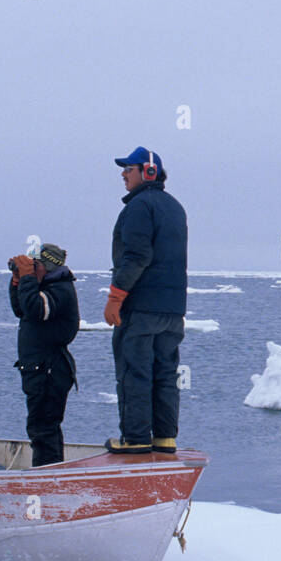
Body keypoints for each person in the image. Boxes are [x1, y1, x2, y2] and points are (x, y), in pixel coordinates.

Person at [103, 147, 188, 455]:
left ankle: (135, 438)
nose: (124, 174)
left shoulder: (139, 207)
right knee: (165, 373)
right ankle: (165, 438)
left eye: (129, 168)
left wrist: (116, 297)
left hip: (140, 308)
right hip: (172, 310)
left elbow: (137, 256)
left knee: (134, 371)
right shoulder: (175, 208)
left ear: (148, 171)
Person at [8, 243, 79, 466]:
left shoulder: (59, 289)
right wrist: (18, 281)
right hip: (41, 369)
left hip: (50, 370)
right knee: (42, 427)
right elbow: (21, 308)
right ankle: (50, 475)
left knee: (43, 428)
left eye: (34, 265)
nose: (31, 268)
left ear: (46, 267)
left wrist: (28, 279)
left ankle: (46, 478)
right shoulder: (47, 286)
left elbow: (37, 309)